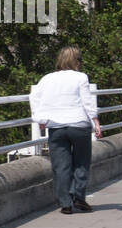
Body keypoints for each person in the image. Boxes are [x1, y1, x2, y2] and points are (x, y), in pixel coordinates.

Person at [30, 46, 102, 215]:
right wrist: (96, 121)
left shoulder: (47, 79)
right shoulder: (80, 77)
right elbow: (87, 101)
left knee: (61, 166)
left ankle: (65, 203)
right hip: (78, 124)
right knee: (81, 162)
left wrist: (40, 118)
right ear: (76, 61)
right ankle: (79, 196)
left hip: (56, 126)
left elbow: (34, 97)